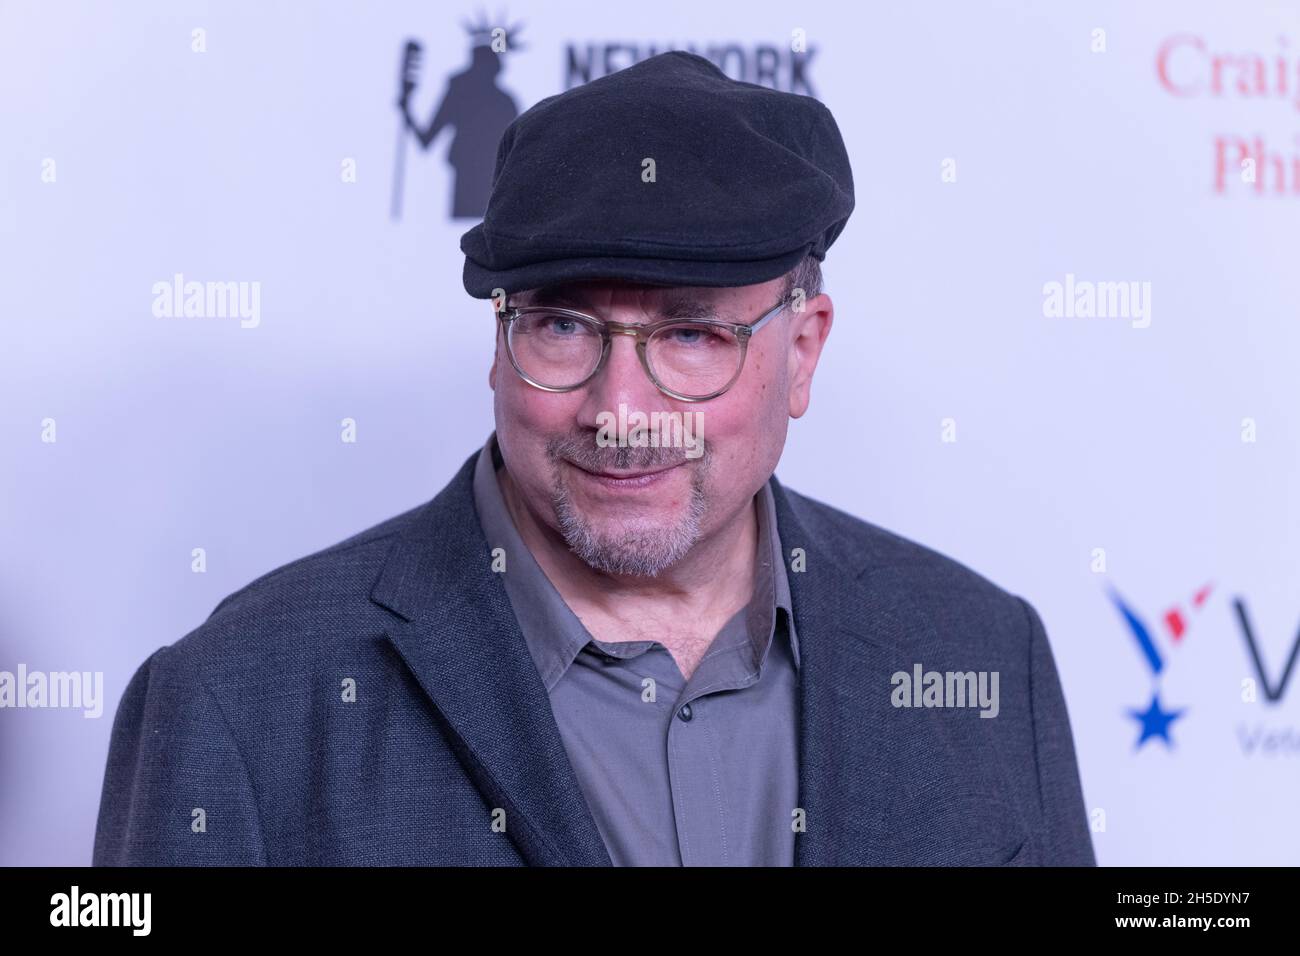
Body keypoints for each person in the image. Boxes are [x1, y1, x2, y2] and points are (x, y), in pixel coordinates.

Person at [93, 51, 1095, 866]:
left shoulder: (979, 651)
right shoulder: (241, 698)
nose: (620, 410)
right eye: (564, 327)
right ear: (497, 341)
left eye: (692, 336)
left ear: (804, 351)